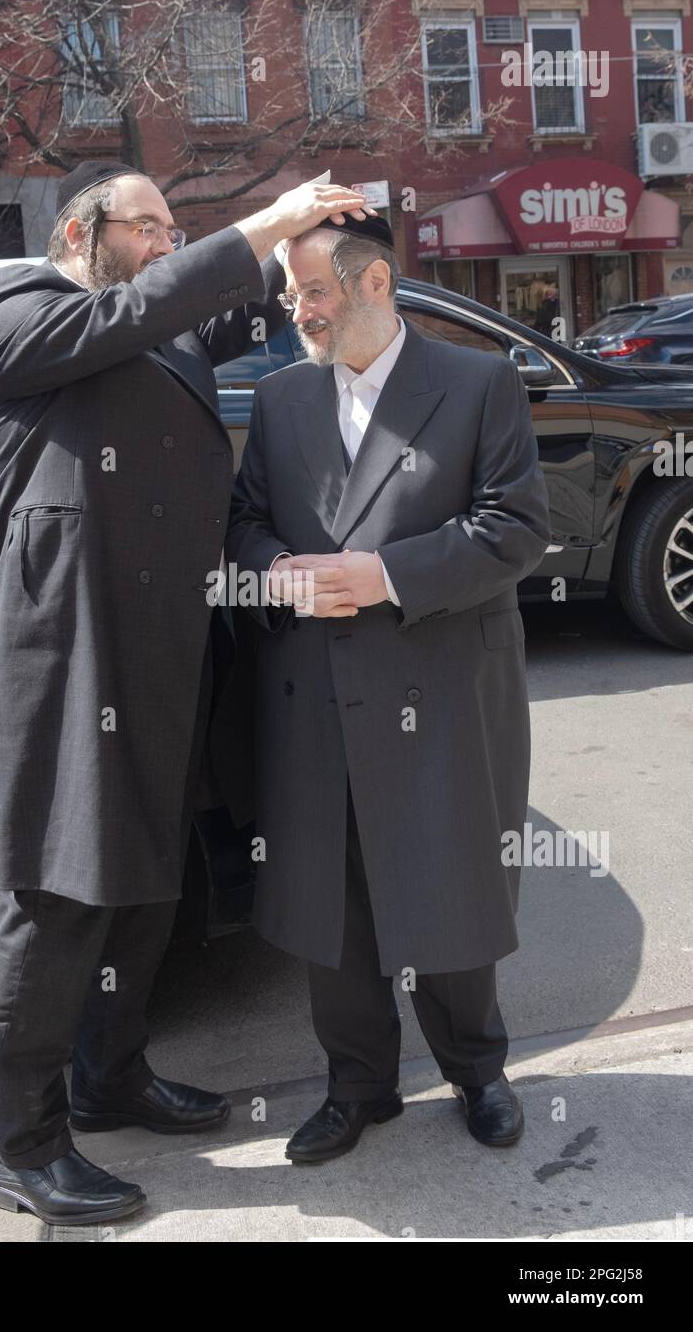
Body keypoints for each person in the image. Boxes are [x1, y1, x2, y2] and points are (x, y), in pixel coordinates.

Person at [0, 160, 377, 1222]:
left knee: (147, 875)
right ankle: (23, 1143)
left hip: (164, 648)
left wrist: (301, 251)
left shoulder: (161, 328)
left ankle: (111, 1075)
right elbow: (153, 302)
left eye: (167, 228)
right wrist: (260, 220)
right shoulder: (12, 309)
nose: (157, 242)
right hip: (69, 653)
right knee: (54, 893)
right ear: (77, 229)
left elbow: (221, 309)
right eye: (141, 225)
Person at [225, 212, 551, 1164]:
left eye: (314, 292)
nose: (300, 313)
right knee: (336, 902)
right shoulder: (283, 399)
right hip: (317, 693)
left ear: (376, 286)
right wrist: (276, 568)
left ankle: (478, 1072)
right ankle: (358, 1087)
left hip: (441, 685)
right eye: (290, 295)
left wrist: (387, 576)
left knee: (449, 884)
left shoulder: (477, 382)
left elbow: (516, 528)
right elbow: (244, 523)